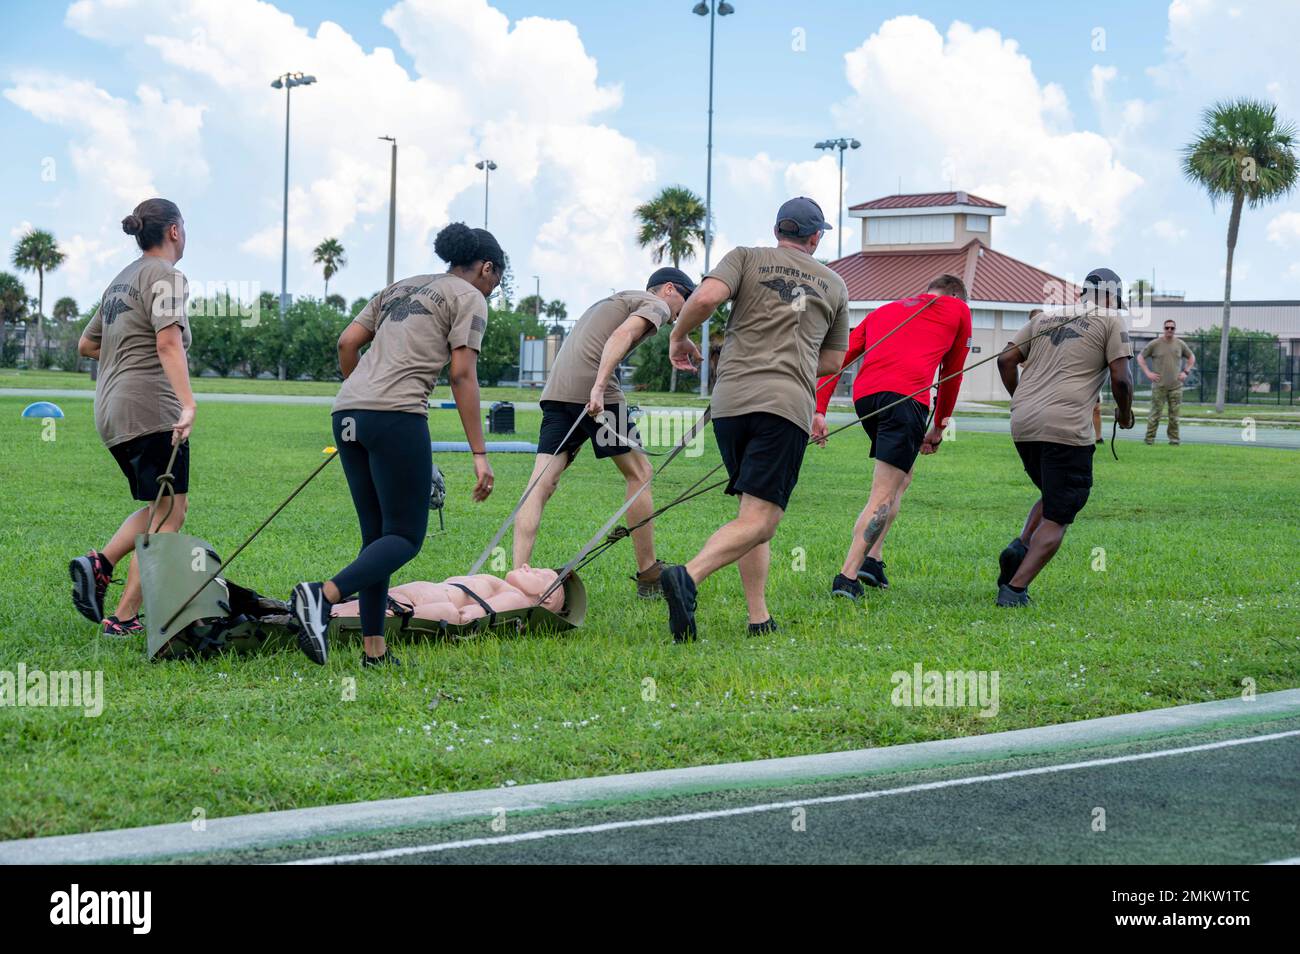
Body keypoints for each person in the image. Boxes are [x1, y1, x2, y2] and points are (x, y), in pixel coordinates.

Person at [290, 223, 500, 667]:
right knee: (404, 536)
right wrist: (480, 454)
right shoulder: (470, 297)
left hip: (346, 414)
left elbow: (348, 342)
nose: (493, 288)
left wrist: (360, 391)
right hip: (397, 415)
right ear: (486, 268)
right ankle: (320, 597)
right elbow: (462, 375)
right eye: (495, 279)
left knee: (376, 540)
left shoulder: (399, 287)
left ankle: (375, 651)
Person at [661, 197, 849, 641]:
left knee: (751, 512)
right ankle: (687, 576)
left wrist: (679, 335)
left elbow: (706, 297)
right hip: (783, 407)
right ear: (816, 236)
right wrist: (796, 355)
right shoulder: (834, 283)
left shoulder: (745, 257)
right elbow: (834, 361)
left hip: (730, 404)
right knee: (763, 519)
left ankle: (759, 617)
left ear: (777, 231)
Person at [512, 267, 696, 596]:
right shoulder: (659, 304)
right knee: (641, 474)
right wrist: (598, 389)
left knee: (540, 484)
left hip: (557, 393)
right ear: (669, 289)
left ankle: (516, 576)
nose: (685, 308)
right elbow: (620, 336)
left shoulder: (619, 299)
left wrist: (680, 339)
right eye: (687, 298)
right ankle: (649, 574)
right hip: (595, 394)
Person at [69, 198, 194, 637]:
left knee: (161, 506)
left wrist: (124, 361)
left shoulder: (119, 282)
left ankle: (100, 564)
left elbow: (86, 344)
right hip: (150, 408)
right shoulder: (165, 276)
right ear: (174, 231)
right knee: (171, 514)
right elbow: (167, 345)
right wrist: (188, 403)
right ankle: (122, 617)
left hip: (111, 411)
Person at [812, 274, 972, 600]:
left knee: (902, 477)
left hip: (866, 399)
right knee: (883, 493)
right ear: (957, 296)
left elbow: (837, 361)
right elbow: (952, 374)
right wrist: (939, 427)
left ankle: (873, 559)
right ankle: (847, 576)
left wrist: (819, 409)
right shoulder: (958, 309)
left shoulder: (883, 311)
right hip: (906, 401)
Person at [993, 267, 1135, 607]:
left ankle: (1021, 544)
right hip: (1066, 427)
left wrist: (1021, 399)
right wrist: (1125, 414)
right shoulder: (1111, 320)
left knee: (1052, 493)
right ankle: (1014, 590)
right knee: (1061, 513)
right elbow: (1123, 379)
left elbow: (1005, 360)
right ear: (1113, 295)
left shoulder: (1045, 318)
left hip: (1024, 424)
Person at [331, 566, 566, 625]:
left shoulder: (518, 600)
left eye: (536, 572)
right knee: (376, 604)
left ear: (546, 598)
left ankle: (325, 615)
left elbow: (478, 613)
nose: (526, 564)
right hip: (428, 594)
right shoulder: (507, 588)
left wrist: (459, 616)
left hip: (435, 602)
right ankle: (327, 613)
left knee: (384, 607)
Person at [1138, 318, 1196, 445]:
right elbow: (1140, 357)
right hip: (1159, 386)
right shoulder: (1155, 344)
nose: (1169, 330)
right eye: (1167, 328)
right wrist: (1148, 373)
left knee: (1174, 417)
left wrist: (1186, 371)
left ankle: (1174, 440)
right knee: (1155, 415)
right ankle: (1149, 440)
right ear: (1163, 329)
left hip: (1176, 387)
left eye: (1172, 328)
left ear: (1175, 330)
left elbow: (1191, 357)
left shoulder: (1180, 344)